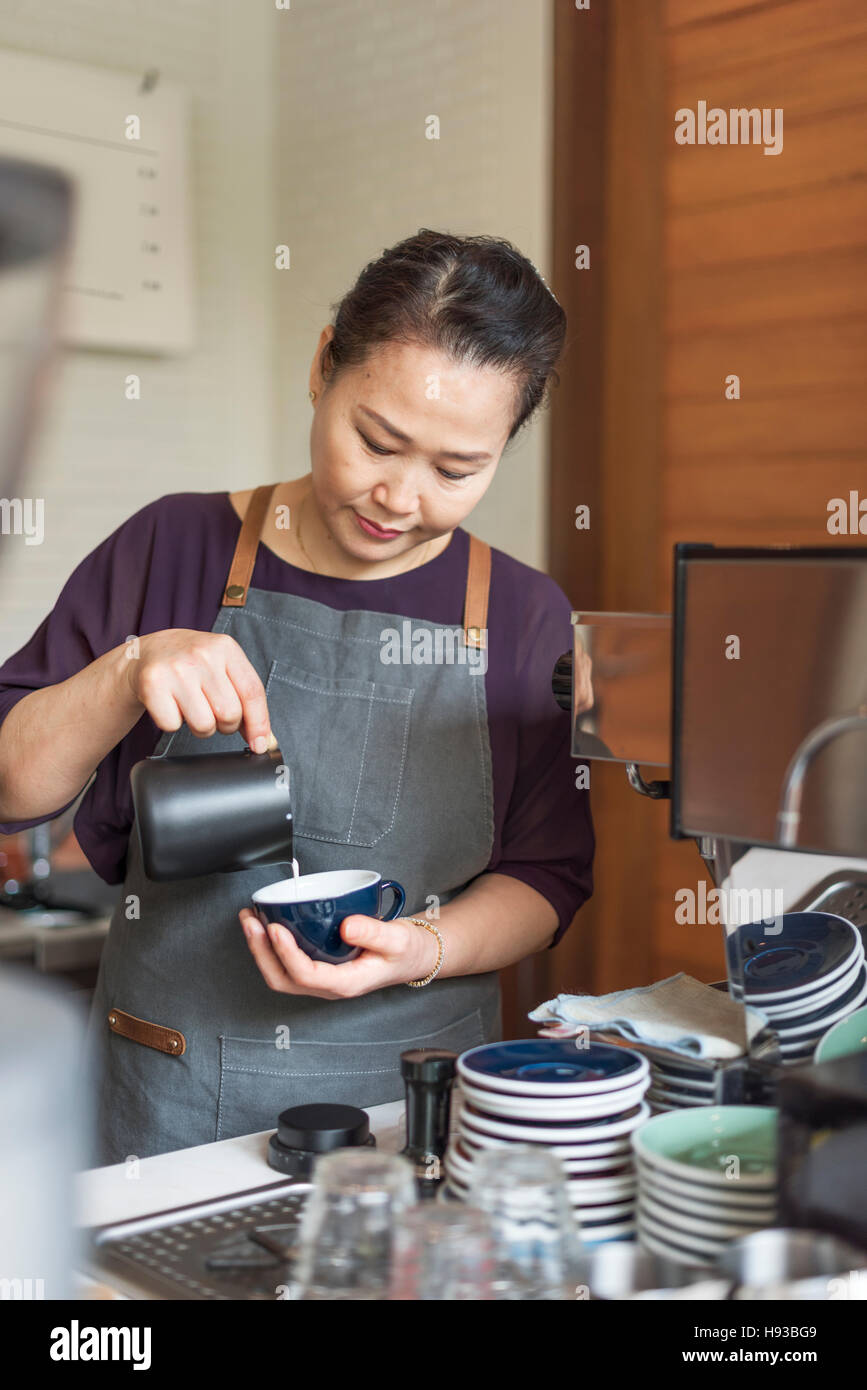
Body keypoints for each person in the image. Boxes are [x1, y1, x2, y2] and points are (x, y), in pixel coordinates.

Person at [0, 229, 594, 1165]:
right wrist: (127, 670)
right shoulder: (175, 543)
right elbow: (14, 787)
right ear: (323, 366)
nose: (398, 497)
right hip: (168, 1093)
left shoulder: (524, 614)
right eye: (376, 440)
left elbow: (547, 875)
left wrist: (425, 948)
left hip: (415, 1111)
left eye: (455, 470)